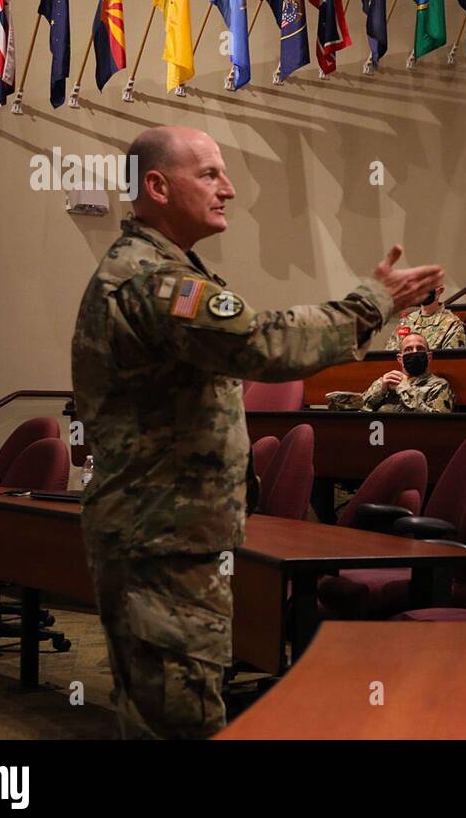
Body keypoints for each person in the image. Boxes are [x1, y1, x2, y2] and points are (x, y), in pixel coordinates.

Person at [71, 125, 442, 739]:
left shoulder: (156, 268)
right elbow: (263, 343)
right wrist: (369, 302)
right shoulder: (152, 280)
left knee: (166, 707)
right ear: (157, 186)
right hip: (163, 541)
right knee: (181, 719)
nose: (230, 189)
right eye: (210, 174)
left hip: (162, 532)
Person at [362, 333, 455, 413]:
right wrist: (380, 392)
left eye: (420, 349)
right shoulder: (386, 381)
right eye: (408, 349)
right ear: (400, 359)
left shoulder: (439, 386)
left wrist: (403, 388)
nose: (415, 352)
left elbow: (437, 423)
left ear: (429, 357)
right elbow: (361, 412)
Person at [384, 285, 466, 350]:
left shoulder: (452, 323)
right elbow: (390, 352)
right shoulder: (407, 320)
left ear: (440, 291)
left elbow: (451, 360)